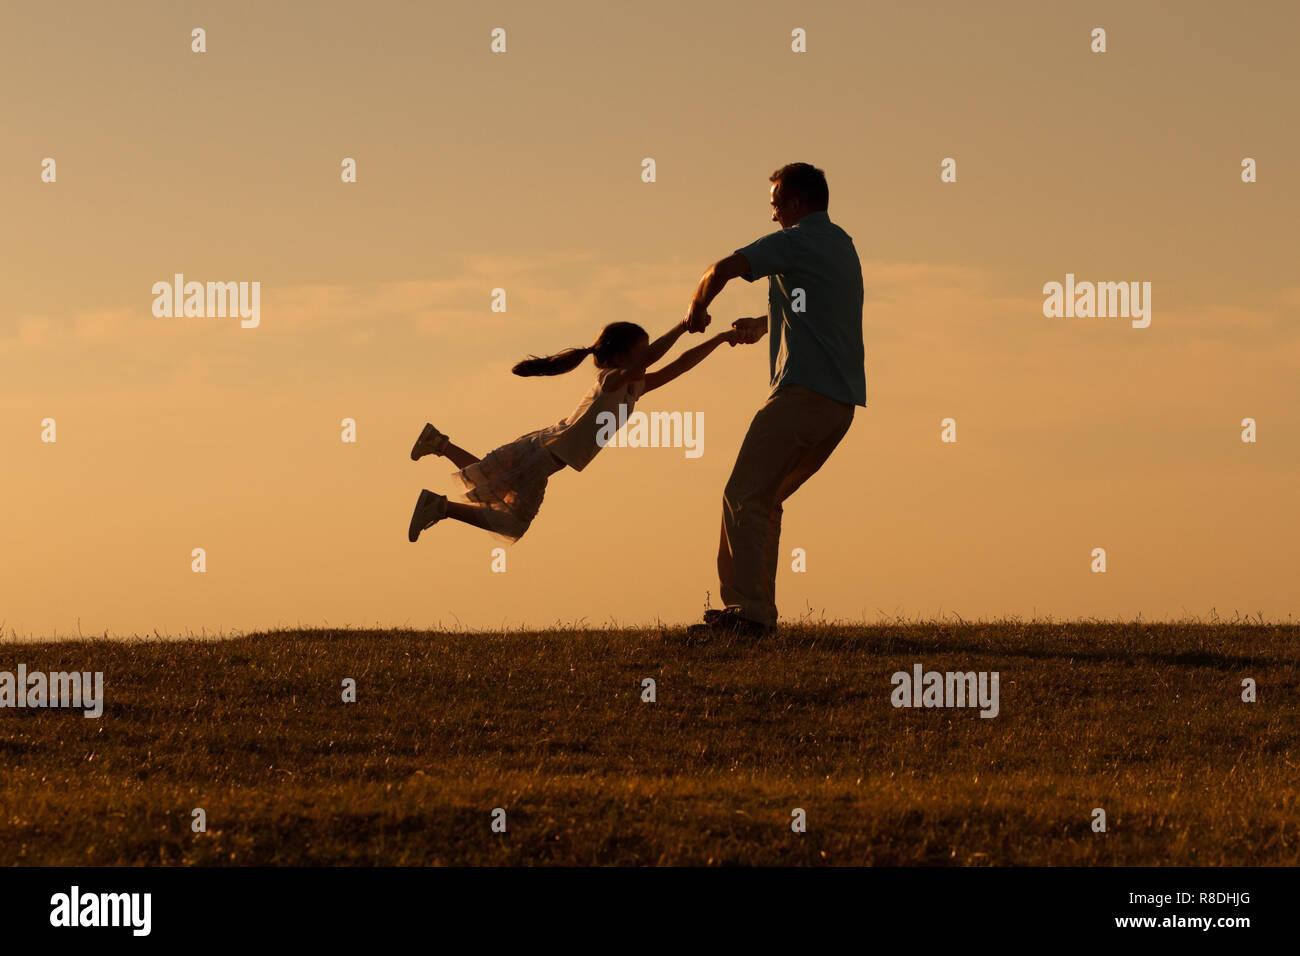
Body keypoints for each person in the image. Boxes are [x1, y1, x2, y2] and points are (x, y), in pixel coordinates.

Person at [682, 163, 866, 638]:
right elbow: (815, 308)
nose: (774, 216)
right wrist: (765, 325)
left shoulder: (796, 240)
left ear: (798, 204)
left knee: (742, 494)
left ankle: (747, 615)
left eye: (777, 205)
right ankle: (756, 613)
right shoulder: (841, 245)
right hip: (838, 405)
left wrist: (697, 307)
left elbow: (722, 268)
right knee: (766, 499)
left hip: (800, 395)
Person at [408, 319, 748, 543]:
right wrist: (682, 326)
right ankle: (440, 506)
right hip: (542, 454)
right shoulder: (611, 381)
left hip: (543, 452)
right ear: (617, 357)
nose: (646, 358)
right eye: (640, 352)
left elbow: (679, 365)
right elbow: (653, 359)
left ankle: (437, 444)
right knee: (510, 520)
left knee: (486, 480)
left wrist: (718, 339)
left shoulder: (632, 387)